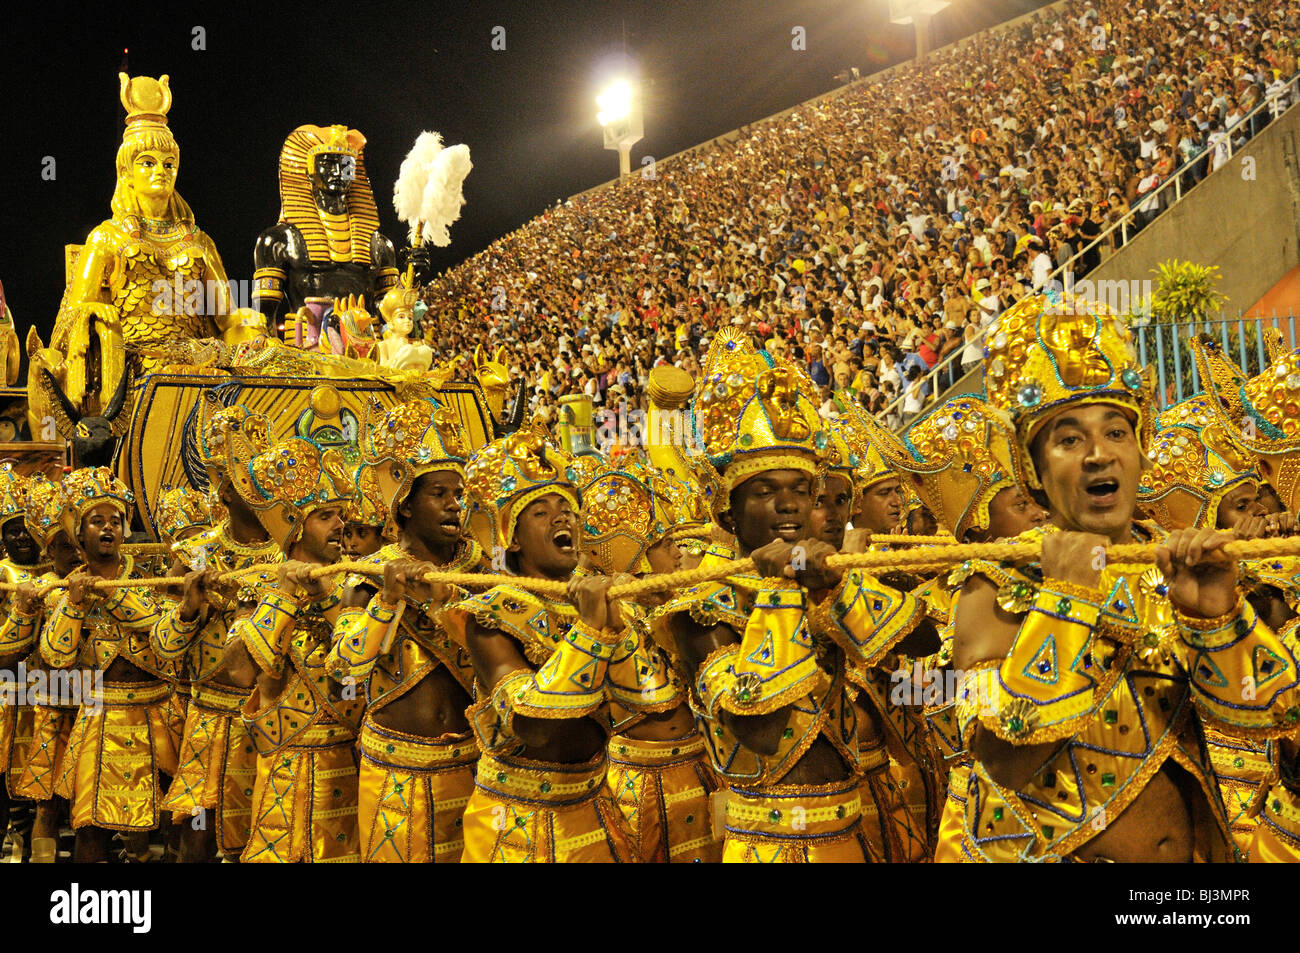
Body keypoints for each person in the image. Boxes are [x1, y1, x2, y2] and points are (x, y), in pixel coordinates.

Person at [953, 292, 1300, 862]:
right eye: (1068, 439)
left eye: (1116, 433)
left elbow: (1265, 720)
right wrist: (1066, 599)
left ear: (1140, 455)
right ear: (1034, 473)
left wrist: (1216, 617)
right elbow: (1004, 758)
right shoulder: (997, 582)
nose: (1097, 454)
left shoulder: (1170, 564)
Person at [654, 329, 937, 862]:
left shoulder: (821, 574)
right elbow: (757, 724)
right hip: (768, 845)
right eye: (765, 492)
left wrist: (833, 586)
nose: (789, 507)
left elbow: (922, 640)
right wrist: (783, 591)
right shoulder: (697, 603)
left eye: (801, 491)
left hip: (854, 831)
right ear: (728, 513)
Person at [442, 427, 636, 862]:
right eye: (541, 512)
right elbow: (530, 724)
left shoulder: (600, 599)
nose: (562, 518)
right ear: (512, 537)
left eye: (567, 508)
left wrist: (629, 625)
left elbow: (646, 704)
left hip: (594, 806)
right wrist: (590, 631)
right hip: (515, 822)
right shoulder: (490, 614)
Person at [327, 398, 484, 863]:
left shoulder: (483, 571)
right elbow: (344, 673)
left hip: (478, 768)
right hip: (396, 771)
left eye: (460, 493)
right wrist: (389, 602)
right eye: (440, 494)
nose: (456, 505)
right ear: (406, 507)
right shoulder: (368, 575)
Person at [218, 433, 363, 863]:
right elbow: (242, 673)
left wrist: (326, 599)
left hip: (355, 765)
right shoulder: (258, 586)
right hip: (284, 766)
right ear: (295, 527)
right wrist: (283, 594)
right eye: (325, 516)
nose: (340, 526)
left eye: (340, 515)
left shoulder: (359, 586)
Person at [150, 402, 281, 862]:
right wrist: (188, 608)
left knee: (262, 836)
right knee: (197, 833)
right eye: (246, 478)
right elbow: (164, 649)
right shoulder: (198, 553)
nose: (259, 488)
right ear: (224, 490)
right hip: (205, 716)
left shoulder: (290, 555)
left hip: (268, 717)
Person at [578, 455, 721, 863]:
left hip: (698, 770)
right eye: (663, 544)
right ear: (633, 553)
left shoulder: (678, 604)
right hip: (635, 787)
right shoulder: (611, 615)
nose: (678, 552)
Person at [40, 467, 179, 863]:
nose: (107, 529)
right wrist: (75, 602)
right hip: (100, 714)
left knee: (180, 819)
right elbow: (54, 657)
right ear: (78, 533)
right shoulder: (68, 589)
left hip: (159, 710)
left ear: (125, 530)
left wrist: (105, 593)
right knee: (90, 827)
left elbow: (159, 631)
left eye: (115, 521)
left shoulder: (149, 576)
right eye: (96, 521)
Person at [11, 476, 84, 863]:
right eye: (61, 547)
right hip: (52, 708)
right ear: (48, 548)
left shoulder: (105, 582)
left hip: (95, 708)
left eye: (76, 545)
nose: (72, 554)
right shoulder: (39, 589)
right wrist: (23, 609)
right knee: (46, 805)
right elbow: (8, 649)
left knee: (90, 807)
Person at [0, 466, 41, 862]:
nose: (21, 537)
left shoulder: (53, 573)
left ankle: (30, 842)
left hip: (43, 688)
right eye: (13, 530)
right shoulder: (2, 574)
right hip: (3, 687)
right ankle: (12, 838)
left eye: (28, 529)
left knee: (32, 769)